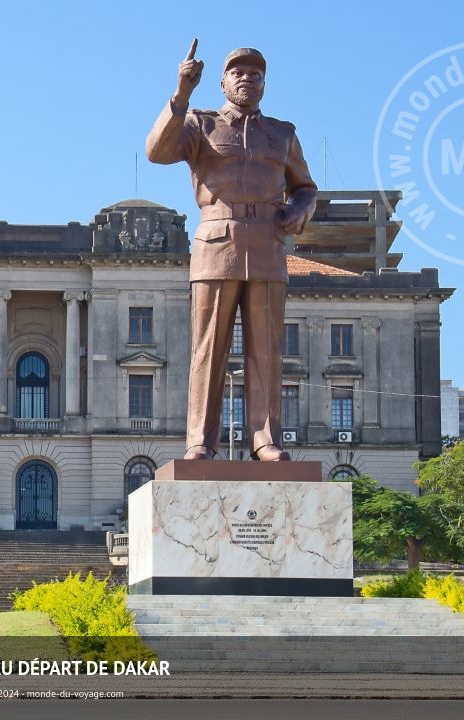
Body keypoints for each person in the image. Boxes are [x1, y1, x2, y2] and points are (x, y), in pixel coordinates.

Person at [146, 41, 317, 461]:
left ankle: (265, 439)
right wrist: (181, 94)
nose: (247, 78)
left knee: (266, 351)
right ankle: (200, 441)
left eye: (255, 73)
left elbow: (305, 186)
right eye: (238, 72)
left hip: (267, 244)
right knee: (209, 348)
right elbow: (157, 151)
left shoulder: (282, 134)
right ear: (222, 82)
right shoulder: (200, 124)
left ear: (264, 84)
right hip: (216, 242)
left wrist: (299, 208)